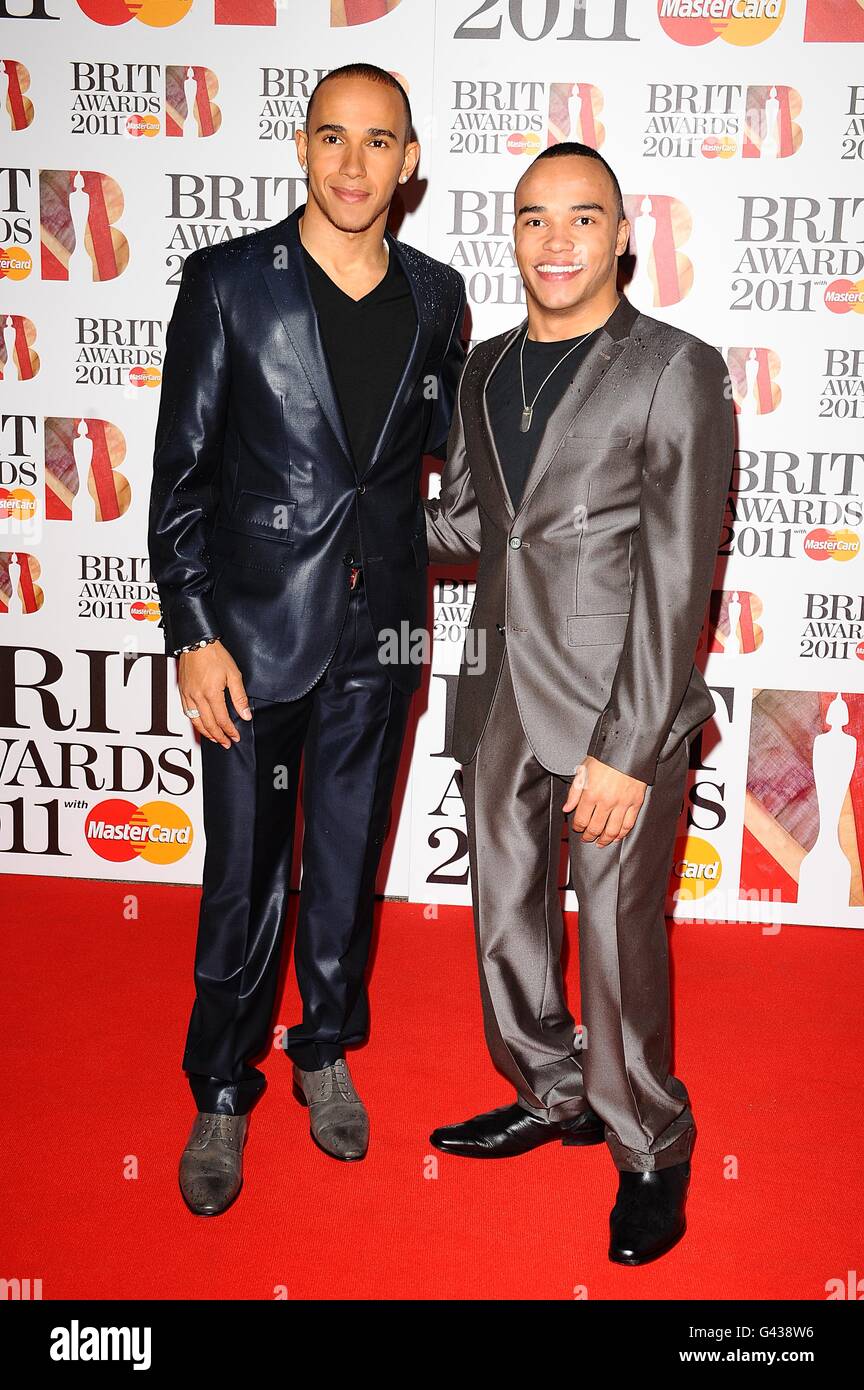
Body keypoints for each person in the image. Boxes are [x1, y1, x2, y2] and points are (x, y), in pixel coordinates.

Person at [148, 63, 467, 1215]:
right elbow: (178, 478)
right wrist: (193, 630)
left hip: (377, 634)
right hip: (249, 633)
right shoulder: (231, 283)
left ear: (410, 160)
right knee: (242, 875)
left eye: (377, 142)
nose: (351, 165)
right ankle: (221, 1089)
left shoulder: (437, 296)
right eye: (332, 138)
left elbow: (428, 468)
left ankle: (323, 1044)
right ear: (301, 145)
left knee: (345, 861)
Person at [423, 141, 735, 1265]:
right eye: (534, 219)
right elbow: (469, 525)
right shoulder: (486, 367)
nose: (557, 240)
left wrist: (632, 748)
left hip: (618, 708)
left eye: (582, 218)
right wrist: (344, 517)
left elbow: (677, 571)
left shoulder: (673, 367)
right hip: (501, 681)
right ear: (514, 234)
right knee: (503, 913)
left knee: (613, 933)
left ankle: (650, 1139)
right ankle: (550, 1089)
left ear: (620, 237)